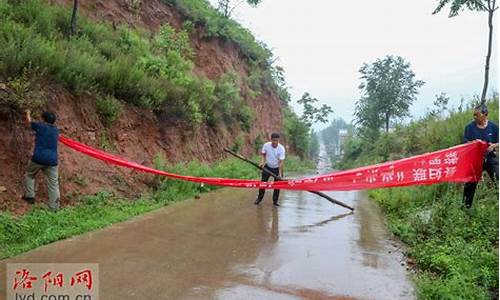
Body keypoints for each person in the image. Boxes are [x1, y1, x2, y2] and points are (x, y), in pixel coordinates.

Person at [23, 109, 60, 211]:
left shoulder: (41, 126)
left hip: (39, 158)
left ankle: (30, 196)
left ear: (44, 119)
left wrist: (28, 113)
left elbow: (29, 122)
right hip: (52, 160)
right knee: (53, 184)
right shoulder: (56, 130)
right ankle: (55, 207)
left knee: (29, 175)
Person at [462, 103, 499, 209]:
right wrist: (474, 142)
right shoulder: (469, 127)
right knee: (470, 183)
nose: (474, 117)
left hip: (490, 158)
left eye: (476, 115)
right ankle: (465, 207)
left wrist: (494, 146)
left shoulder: (494, 127)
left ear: (485, 114)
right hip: (475, 160)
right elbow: (465, 143)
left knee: (498, 177)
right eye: (474, 115)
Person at [254, 133, 285, 206]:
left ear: (278, 140)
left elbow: (281, 162)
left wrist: (280, 174)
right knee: (263, 183)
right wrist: (262, 162)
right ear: (271, 140)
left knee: (277, 185)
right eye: (273, 140)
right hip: (267, 167)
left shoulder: (281, 149)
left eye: (276, 141)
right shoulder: (266, 145)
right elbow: (263, 155)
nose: (275, 142)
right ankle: (259, 198)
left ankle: (275, 201)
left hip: (276, 168)